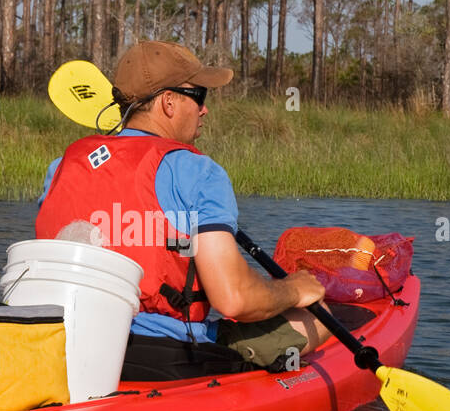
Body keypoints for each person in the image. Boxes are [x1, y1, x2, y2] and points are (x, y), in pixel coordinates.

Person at [36, 40, 331, 379]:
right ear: (169, 102)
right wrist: (294, 289)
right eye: (199, 97)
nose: (204, 110)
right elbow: (232, 299)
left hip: (64, 344)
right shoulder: (200, 172)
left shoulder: (60, 166)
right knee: (317, 313)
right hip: (164, 356)